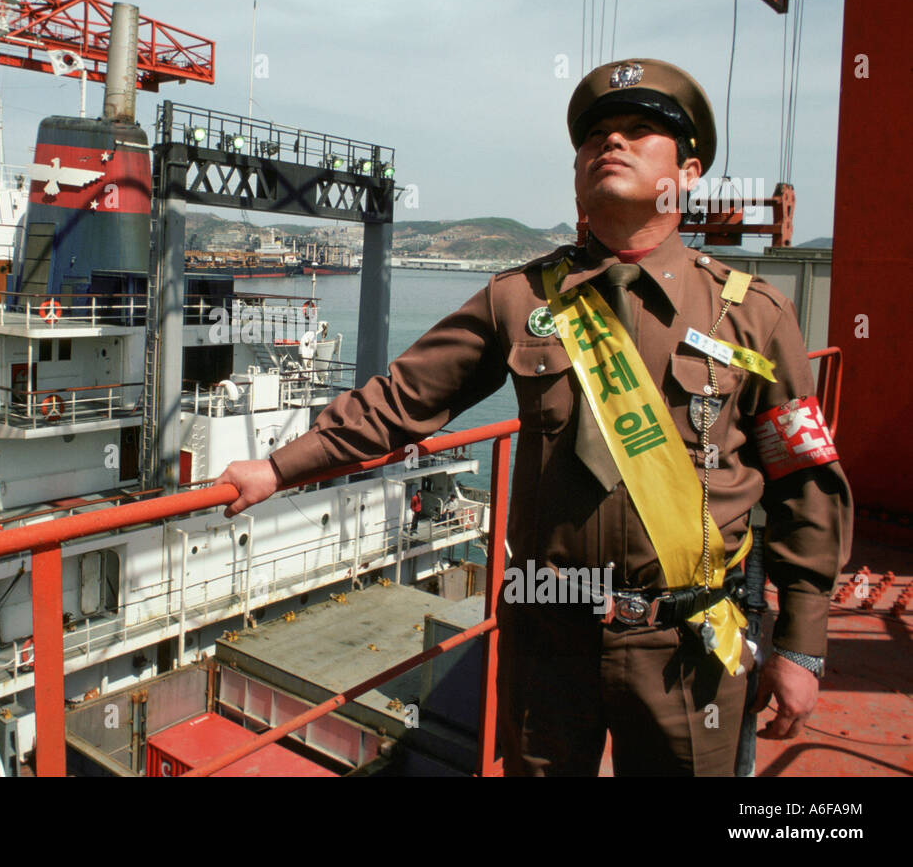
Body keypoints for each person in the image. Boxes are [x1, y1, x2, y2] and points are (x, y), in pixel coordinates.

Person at [213, 58, 851, 776]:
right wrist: (276, 466)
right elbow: (400, 400)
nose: (610, 143)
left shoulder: (752, 315)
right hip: (548, 636)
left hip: (686, 645)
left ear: (689, 171)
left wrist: (801, 642)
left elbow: (805, 484)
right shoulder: (518, 300)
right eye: (594, 136)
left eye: (639, 131)